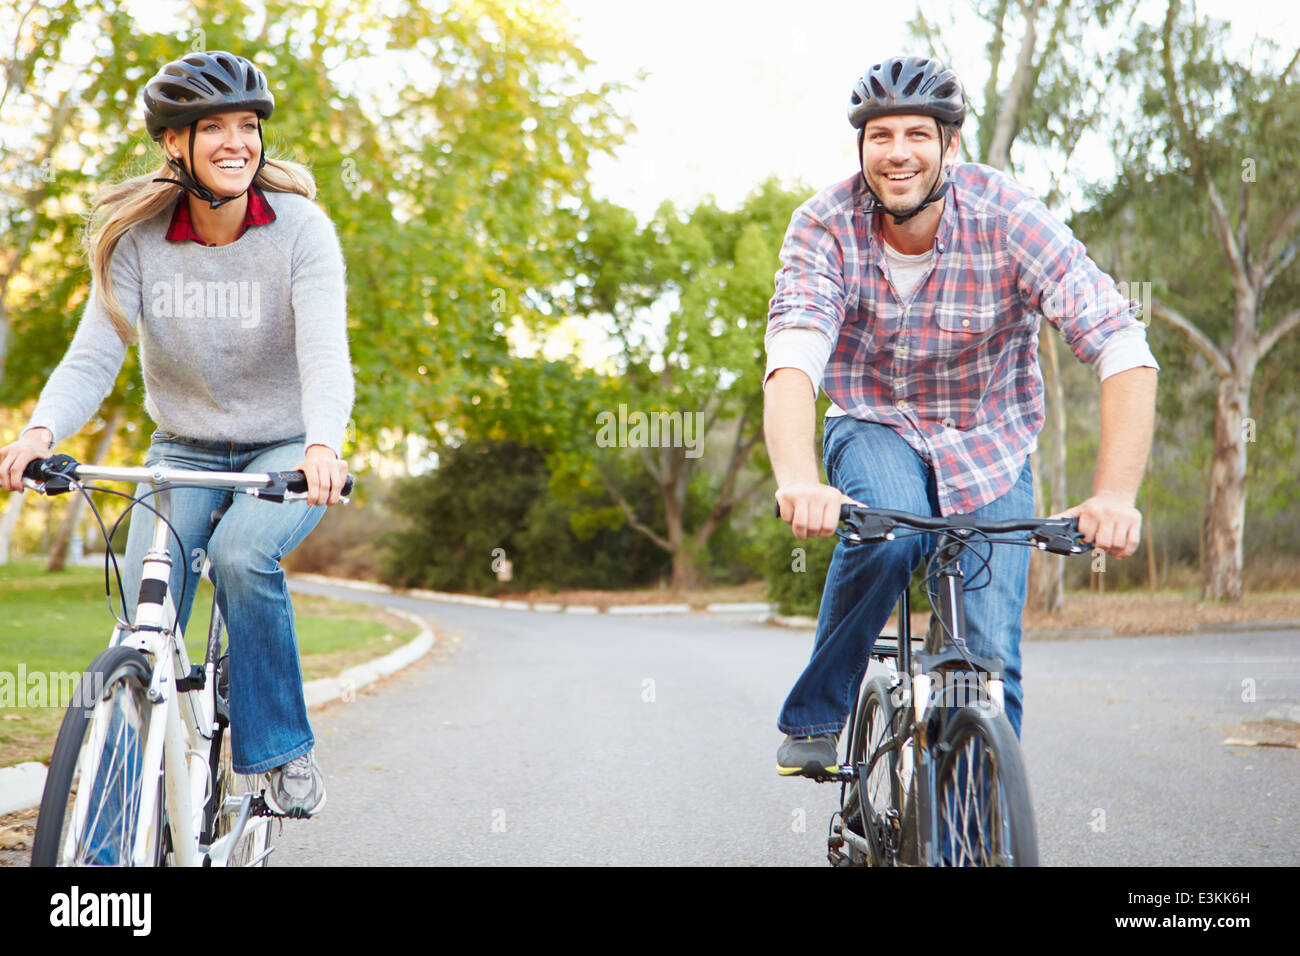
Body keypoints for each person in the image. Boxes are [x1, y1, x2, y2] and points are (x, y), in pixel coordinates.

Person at [765, 55, 1158, 776]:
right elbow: (794, 351)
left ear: (951, 147)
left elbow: (1121, 343)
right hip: (875, 422)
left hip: (991, 443)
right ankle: (820, 710)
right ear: (861, 149)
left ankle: (969, 843)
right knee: (885, 529)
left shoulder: (1007, 217)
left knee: (983, 672)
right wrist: (797, 478)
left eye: (918, 133)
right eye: (879, 135)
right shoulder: (824, 224)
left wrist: (1114, 495)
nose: (897, 152)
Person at [0, 51, 353, 815]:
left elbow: (325, 352)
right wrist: (37, 432)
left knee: (241, 552)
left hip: (287, 448)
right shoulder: (140, 241)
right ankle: (111, 813)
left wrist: (323, 444)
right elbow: (95, 355)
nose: (238, 142)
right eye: (214, 127)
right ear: (175, 145)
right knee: (142, 617)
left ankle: (280, 753)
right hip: (183, 451)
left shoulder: (300, 230)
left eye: (249, 125)